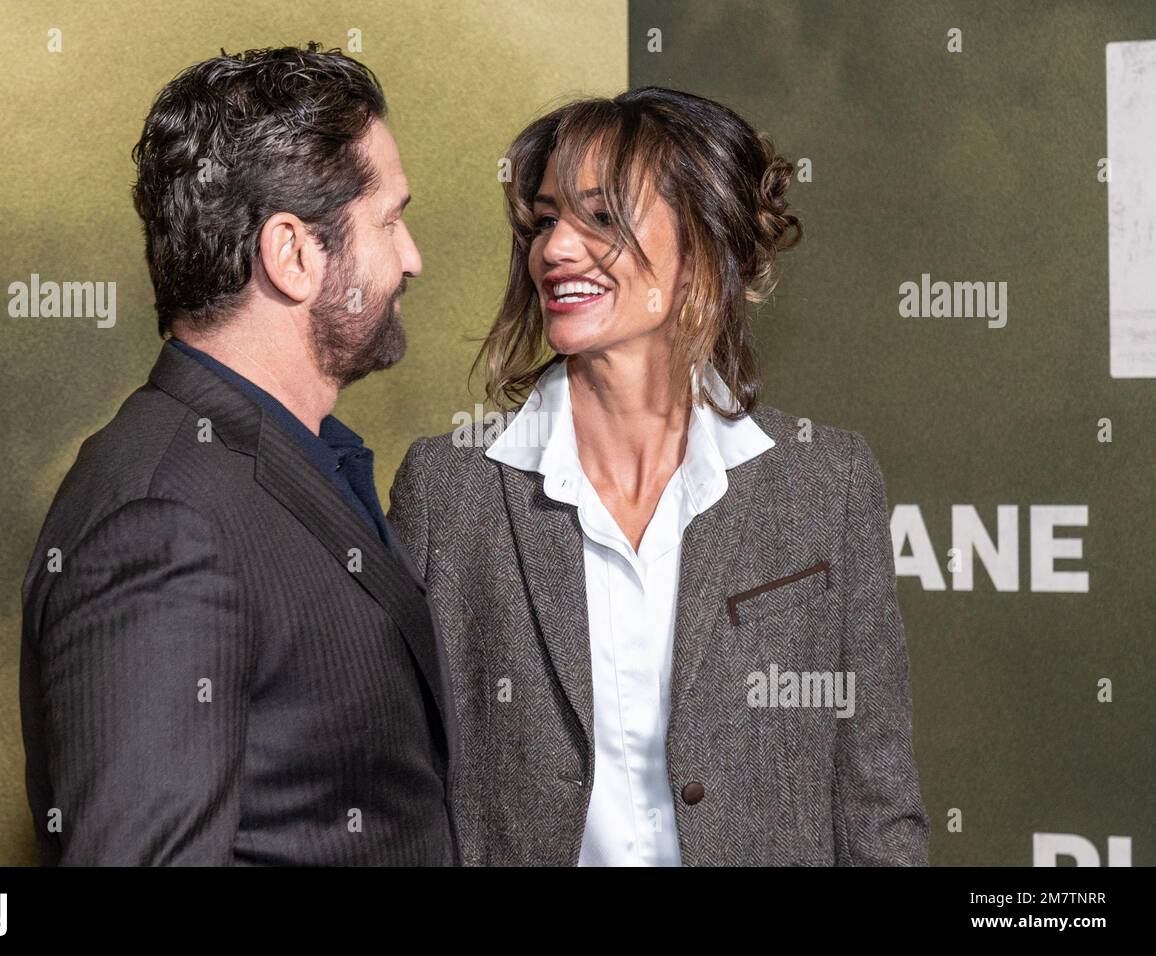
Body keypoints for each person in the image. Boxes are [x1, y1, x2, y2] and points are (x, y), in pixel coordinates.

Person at [389, 87, 928, 866]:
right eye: (545, 221)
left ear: (705, 247)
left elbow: (877, 802)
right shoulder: (450, 491)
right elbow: (403, 792)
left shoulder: (827, 485)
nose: (556, 250)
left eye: (602, 218)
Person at [20, 44, 458, 865]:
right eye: (391, 220)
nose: (411, 258)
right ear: (292, 254)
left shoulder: (290, 464)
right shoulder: (163, 522)